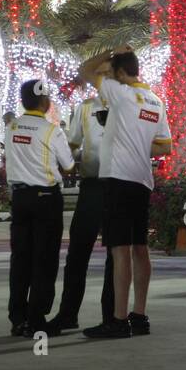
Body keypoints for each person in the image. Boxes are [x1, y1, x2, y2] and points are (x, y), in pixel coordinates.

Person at [77, 45, 172, 339]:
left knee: (120, 251)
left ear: (119, 73)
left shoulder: (121, 93)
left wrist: (107, 52)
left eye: (112, 72)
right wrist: (137, 143)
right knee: (140, 248)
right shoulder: (155, 101)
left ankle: (118, 320)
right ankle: (139, 315)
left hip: (117, 179)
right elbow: (165, 146)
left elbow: (85, 70)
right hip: (142, 181)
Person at [5, 79, 75, 337]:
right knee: (44, 260)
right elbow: (68, 166)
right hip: (46, 199)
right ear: (45, 102)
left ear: (24, 101)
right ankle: (37, 318)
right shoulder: (51, 130)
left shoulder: (11, 127)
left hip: (20, 200)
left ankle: (17, 317)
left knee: (20, 258)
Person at [46, 91, 115, 335]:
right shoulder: (85, 107)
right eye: (101, 74)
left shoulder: (130, 101)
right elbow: (73, 142)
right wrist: (67, 155)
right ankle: (68, 314)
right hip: (92, 185)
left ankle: (112, 317)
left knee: (116, 255)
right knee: (77, 252)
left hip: (120, 184)